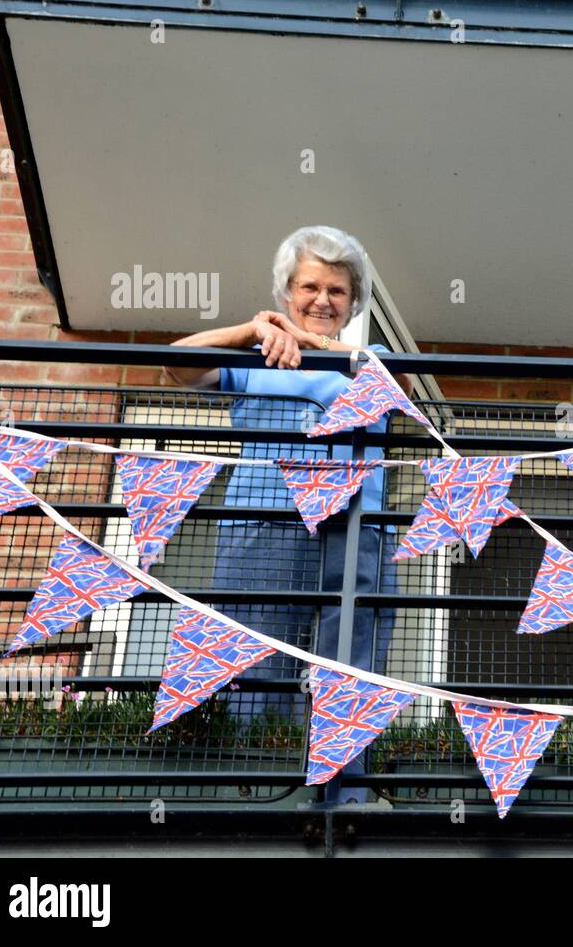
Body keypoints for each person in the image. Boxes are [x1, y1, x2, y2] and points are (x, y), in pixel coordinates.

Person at [166, 225, 400, 805]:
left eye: (338, 291)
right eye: (309, 287)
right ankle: (256, 795)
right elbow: (173, 366)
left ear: (354, 302)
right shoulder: (252, 357)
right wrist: (251, 330)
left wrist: (316, 347)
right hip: (262, 527)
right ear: (287, 293)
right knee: (256, 664)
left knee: (350, 664)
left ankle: (344, 798)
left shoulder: (370, 359)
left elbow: (405, 392)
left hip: (355, 531)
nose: (323, 301)